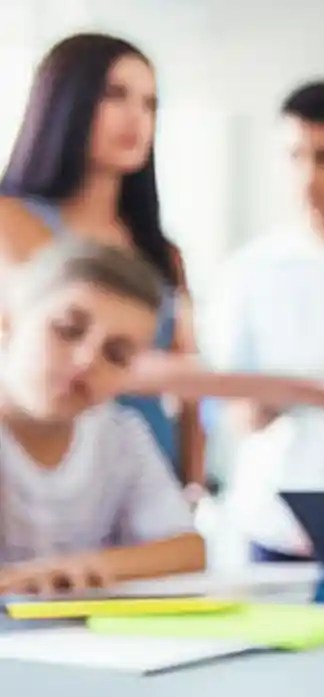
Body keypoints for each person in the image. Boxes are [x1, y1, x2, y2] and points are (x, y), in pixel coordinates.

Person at [0, 33, 203, 487]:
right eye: (115, 95)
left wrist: (192, 483)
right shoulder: (9, 221)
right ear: (63, 102)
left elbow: (187, 387)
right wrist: (298, 389)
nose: (136, 118)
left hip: (152, 476)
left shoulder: (163, 252)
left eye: (150, 104)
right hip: (51, 476)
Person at [208, 81, 324, 561]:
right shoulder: (247, 270)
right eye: (294, 156)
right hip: (270, 519)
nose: (308, 176)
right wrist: (305, 395)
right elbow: (232, 410)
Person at [0, 242, 204, 596]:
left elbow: (188, 550)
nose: (86, 360)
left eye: (116, 354)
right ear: (8, 320)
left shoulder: (120, 436)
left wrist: (75, 570)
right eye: (67, 330)